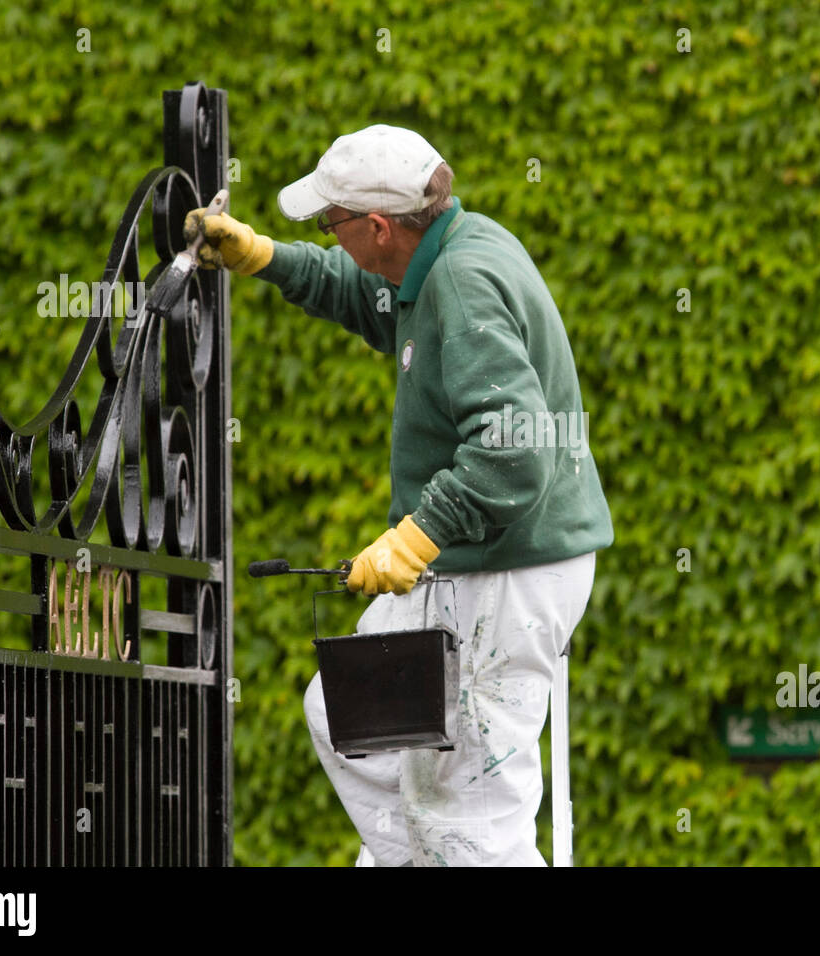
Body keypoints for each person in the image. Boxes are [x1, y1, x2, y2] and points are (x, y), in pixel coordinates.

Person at [184, 124, 613, 866]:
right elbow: (366, 296)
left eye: (331, 224)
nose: (330, 234)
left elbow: (515, 453)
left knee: (471, 813)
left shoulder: (462, 284)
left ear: (378, 226)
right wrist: (265, 257)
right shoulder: (445, 250)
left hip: (506, 573)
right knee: (348, 717)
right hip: (485, 563)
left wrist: (415, 538)